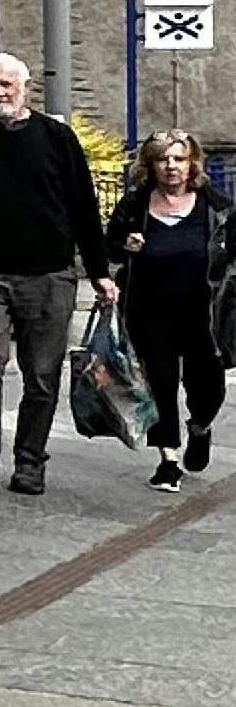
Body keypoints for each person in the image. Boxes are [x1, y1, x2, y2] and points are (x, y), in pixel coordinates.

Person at [0, 54, 111, 498]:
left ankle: (30, 461)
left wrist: (100, 272)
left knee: (42, 374)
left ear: (26, 88)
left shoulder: (57, 139)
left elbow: (85, 208)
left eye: (8, 84)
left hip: (49, 275)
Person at [100, 131, 229, 491]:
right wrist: (125, 245)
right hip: (149, 310)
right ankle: (169, 460)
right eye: (162, 159)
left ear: (192, 164)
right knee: (160, 382)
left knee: (208, 385)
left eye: (178, 159)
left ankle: (200, 427)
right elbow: (109, 248)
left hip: (205, 313)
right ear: (150, 165)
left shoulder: (216, 205)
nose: (171, 167)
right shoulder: (135, 205)